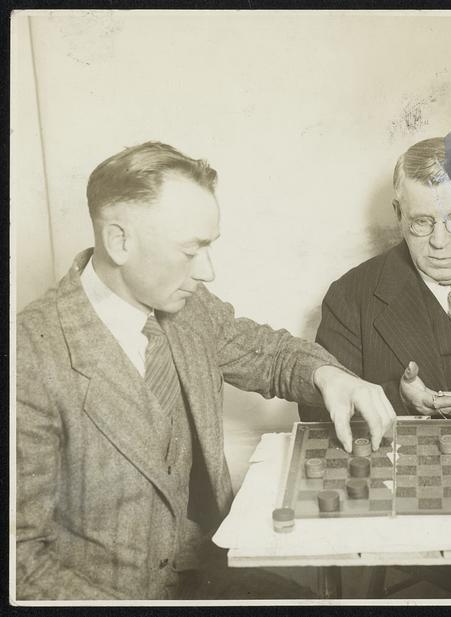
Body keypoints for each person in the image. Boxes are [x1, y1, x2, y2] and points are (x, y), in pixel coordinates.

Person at [15, 142, 396, 600]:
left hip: (207, 575)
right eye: (191, 250)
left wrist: (330, 376)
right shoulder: (29, 356)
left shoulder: (185, 307)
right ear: (120, 241)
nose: (208, 271)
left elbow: (268, 353)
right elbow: (19, 561)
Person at [299, 137, 451, 423]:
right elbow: (315, 413)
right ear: (399, 214)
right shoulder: (350, 296)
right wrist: (399, 399)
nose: (439, 241)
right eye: (421, 222)